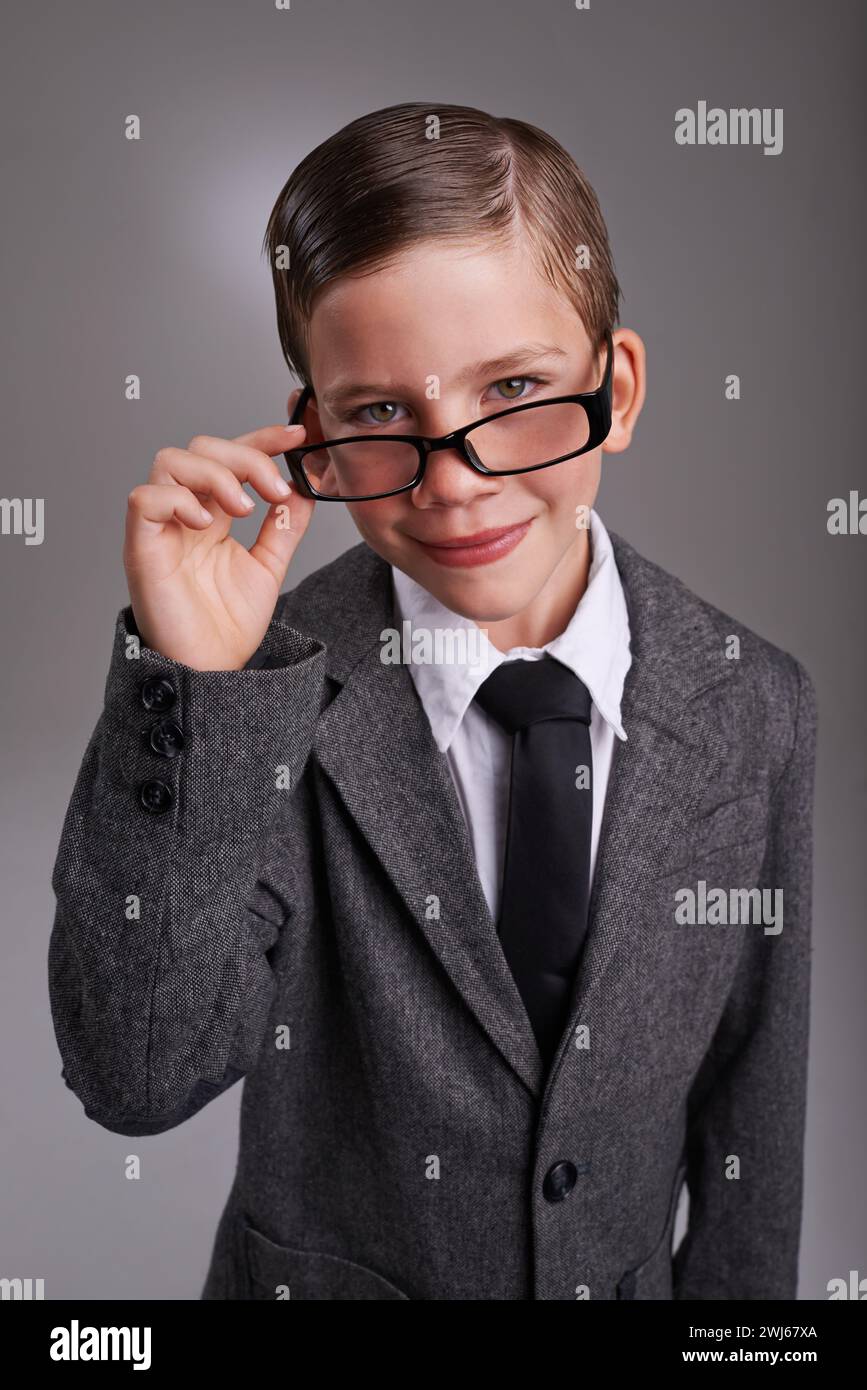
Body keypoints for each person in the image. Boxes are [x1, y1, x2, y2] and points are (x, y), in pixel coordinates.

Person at [48, 102, 817, 1300]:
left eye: (514, 386)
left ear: (615, 385)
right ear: (310, 434)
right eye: (379, 413)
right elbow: (135, 1078)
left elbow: (750, 1134)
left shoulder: (758, 705)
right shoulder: (269, 696)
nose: (456, 481)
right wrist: (194, 684)